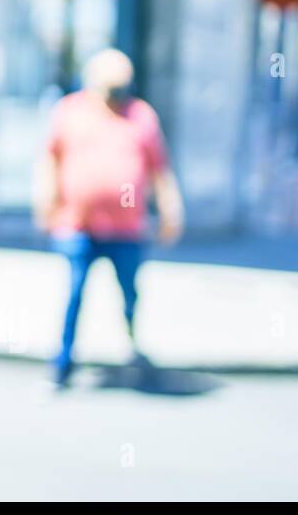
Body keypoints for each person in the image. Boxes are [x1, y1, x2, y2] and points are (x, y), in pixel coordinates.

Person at [33, 48, 185, 388]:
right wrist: (46, 201)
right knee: (74, 294)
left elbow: (160, 168)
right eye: (109, 88)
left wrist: (170, 208)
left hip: (127, 229)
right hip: (78, 225)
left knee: (130, 292)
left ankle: (132, 344)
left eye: (121, 88)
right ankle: (62, 364)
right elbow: (50, 158)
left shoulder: (140, 116)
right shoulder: (69, 111)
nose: (115, 96)